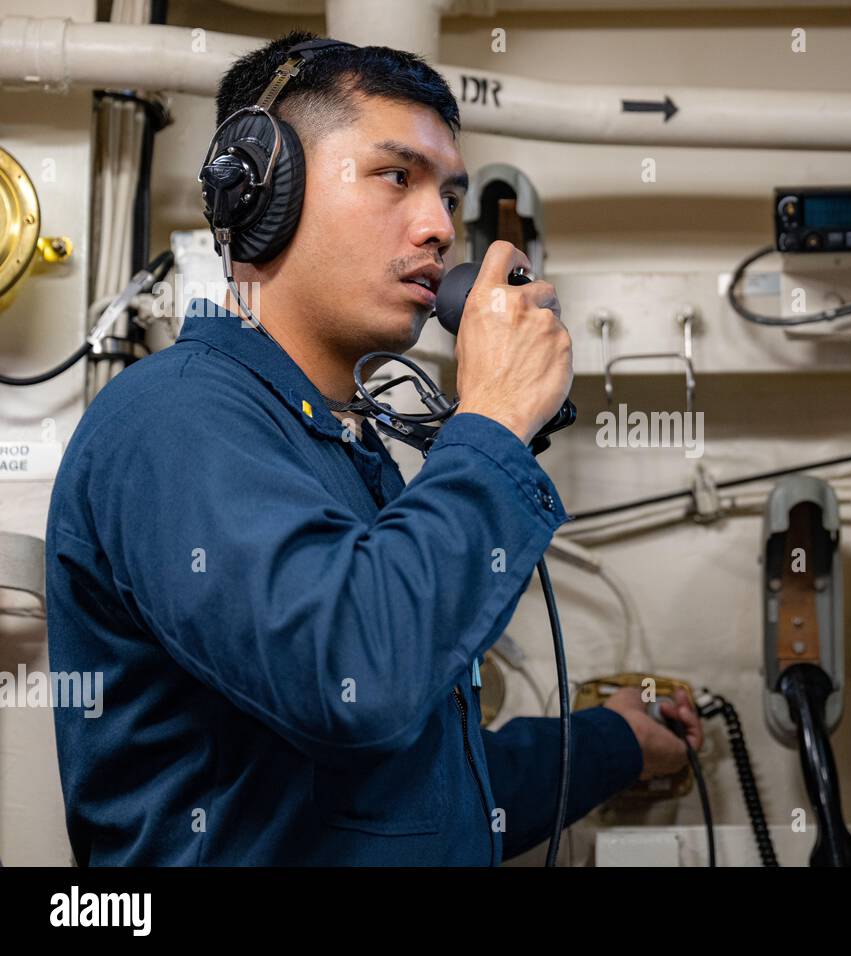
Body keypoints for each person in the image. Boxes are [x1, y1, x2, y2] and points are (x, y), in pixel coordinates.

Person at [44, 30, 701, 866]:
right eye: (397, 176)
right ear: (262, 188)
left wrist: (615, 744)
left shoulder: (344, 444)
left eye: (450, 197)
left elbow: (410, 793)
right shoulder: (175, 417)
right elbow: (353, 676)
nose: (438, 228)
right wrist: (494, 421)